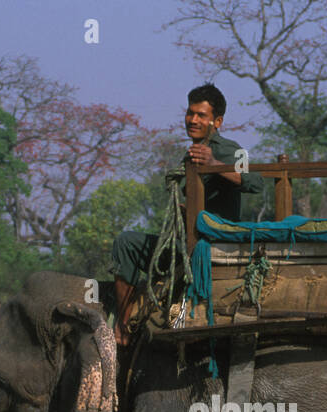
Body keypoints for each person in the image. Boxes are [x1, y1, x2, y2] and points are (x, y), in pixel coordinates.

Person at [110, 83, 263, 346]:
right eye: (190, 113)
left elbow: (256, 182)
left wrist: (214, 165)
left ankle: (122, 330)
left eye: (201, 115)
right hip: (184, 241)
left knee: (126, 243)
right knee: (130, 244)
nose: (193, 120)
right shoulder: (190, 152)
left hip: (210, 244)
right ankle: (132, 314)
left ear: (217, 121)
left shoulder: (229, 149)